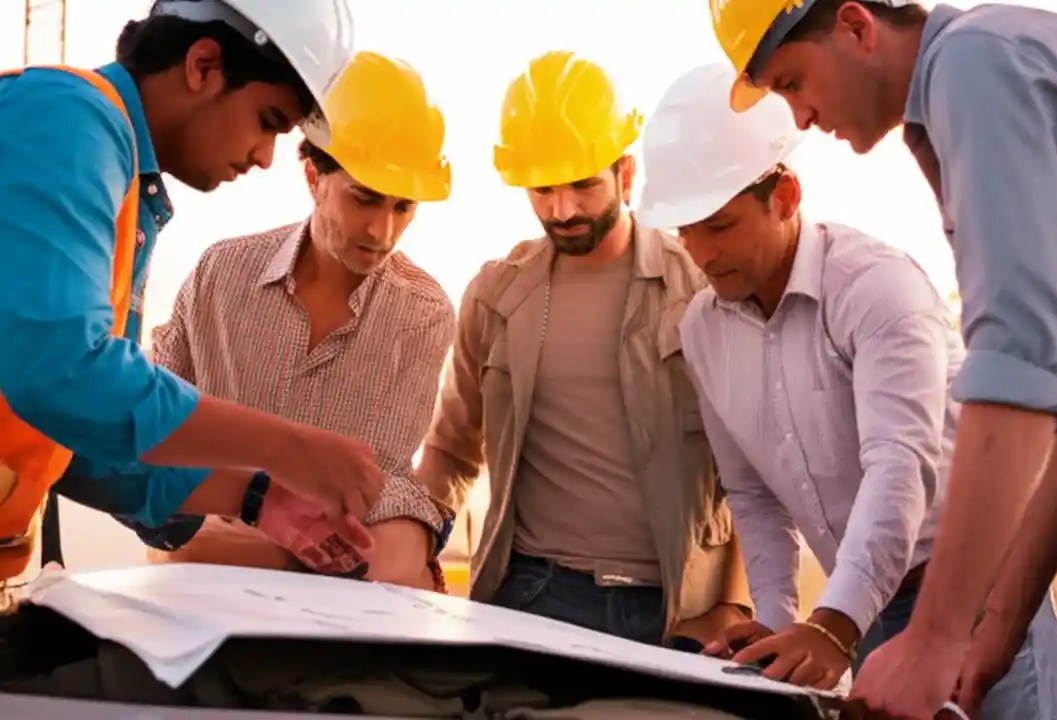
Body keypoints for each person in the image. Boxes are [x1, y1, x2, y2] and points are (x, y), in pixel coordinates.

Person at [707, 1, 1057, 718]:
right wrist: (989, 641)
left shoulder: (977, 65)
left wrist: (934, 637)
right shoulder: (961, 102)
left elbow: (1018, 373)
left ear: (855, 26)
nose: (799, 118)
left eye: (793, 82)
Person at [638, 61, 1057, 718]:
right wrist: (778, 619)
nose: (701, 252)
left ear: (785, 196)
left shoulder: (877, 289)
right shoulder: (703, 328)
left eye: (719, 226)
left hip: (982, 603)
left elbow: (899, 467)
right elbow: (752, 495)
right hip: (868, 614)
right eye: (685, 231)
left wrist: (834, 625)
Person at [0, 0, 390, 589]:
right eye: (268, 121)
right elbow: (62, 371)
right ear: (203, 65)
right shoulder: (68, 117)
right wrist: (286, 446)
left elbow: (81, 439)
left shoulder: (123, 179)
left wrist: (256, 496)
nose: (265, 157)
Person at [419, 50, 752, 647]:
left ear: (626, 172)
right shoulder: (495, 297)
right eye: (543, 189)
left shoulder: (702, 288)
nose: (563, 209)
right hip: (532, 596)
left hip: (680, 609)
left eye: (583, 184)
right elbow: (450, 450)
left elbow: (760, 463)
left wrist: (733, 604)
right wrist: (413, 546)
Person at [96, 52, 454, 591]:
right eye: (365, 199)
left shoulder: (422, 313)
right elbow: (153, 445)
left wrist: (230, 541)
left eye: (403, 207)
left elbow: (374, 497)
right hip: (216, 585)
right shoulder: (219, 275)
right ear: (314, 176)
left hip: (328, 598)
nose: (382, 231)